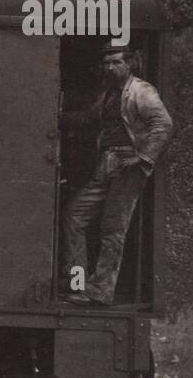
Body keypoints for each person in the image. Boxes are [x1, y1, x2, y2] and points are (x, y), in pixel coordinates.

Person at [60, 47, 173, 306]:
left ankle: (100, 292)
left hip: (126, 167)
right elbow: (89, 117)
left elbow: (164, 125)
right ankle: (77, 285)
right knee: (73, 216)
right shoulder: (110, 93)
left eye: (115, 62)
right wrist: (54, 119)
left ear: (128, 64)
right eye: (106, 62)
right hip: (106, 163)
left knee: (112, 230)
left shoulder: (141, 91)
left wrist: (142, 158)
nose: (109, 67)